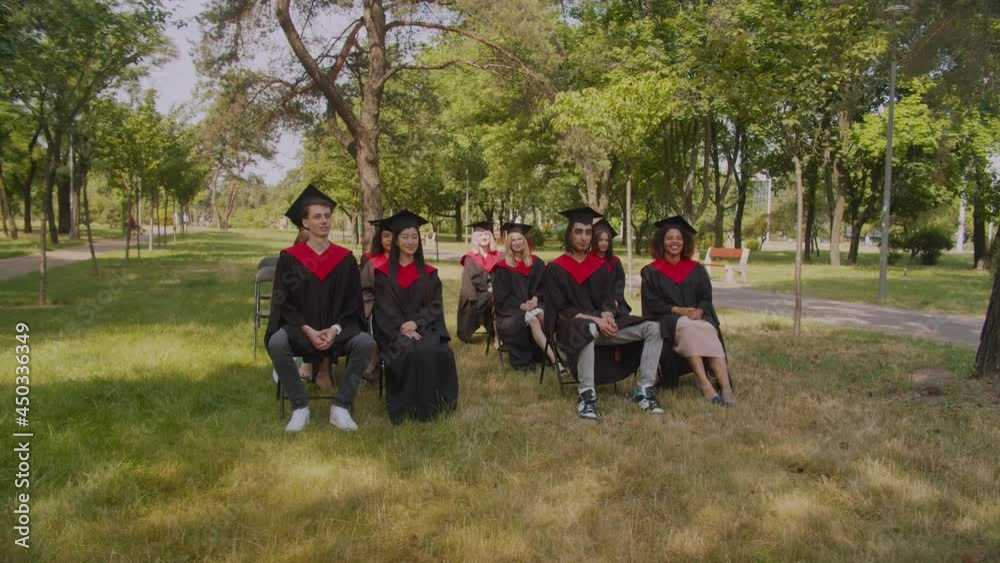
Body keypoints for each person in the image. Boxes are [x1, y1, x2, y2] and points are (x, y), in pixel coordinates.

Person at [265, 184, 377, 432]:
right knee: (277, 342)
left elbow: (352, 304)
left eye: (327, 216)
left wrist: (335, 329)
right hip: (300, 329)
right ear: (304, 223)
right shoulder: (290, 258)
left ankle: (341, 407)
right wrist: (307, 330)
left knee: (364, 343)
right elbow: (283, 303)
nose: (324, 221)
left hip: (335, 331)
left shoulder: (344, 258)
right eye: (317, 216)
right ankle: (299, 407)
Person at [543, 206, 665, 421]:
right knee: (589, 328)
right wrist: (597, 320)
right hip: (573, 331)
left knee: (653, 327)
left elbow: (610, 299)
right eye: (578, 232)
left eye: (588, 232)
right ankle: (587, 396)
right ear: (569, 234)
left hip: (602, 328)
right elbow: (562, 311)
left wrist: (608, 315)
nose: (583, 238)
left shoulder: (599, 266)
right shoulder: (555, 268)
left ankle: (644, 390)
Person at [372, 209, 459, 424]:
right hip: (394, 330)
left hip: (426, 327)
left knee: (435, 350)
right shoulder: (383, 274)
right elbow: (383, 308)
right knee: (407, 351)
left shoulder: (429, 273)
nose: (411, 242)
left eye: (414, 237)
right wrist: (402, 327)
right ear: (396, 241)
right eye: (405, 237)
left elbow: (436, 305)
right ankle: (406, 409)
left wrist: (417, 323)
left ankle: (436, 406)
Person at [640, 216, 735, 407]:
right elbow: (651, 303)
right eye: (669, 238)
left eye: (679, 238)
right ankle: (704, 382)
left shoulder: (696, 269)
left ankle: (725, 387)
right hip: (669, 318)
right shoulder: (651, 271)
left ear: (685, 243)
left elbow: (706, 297)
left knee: (705, 327)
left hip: (697, 318)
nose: (674, 242)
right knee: (687, 325)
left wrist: (699, 311)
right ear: (661, 242)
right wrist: (679, 310)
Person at [492, 222, 560, 370]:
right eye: (513, 240)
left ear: (525, 241)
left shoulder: (536, 263)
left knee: (543, 314)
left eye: (520, 239)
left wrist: (535, 298)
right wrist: (520, 305)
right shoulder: (503, 267)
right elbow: (500, 296)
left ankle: (550, 353)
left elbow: (544, 287)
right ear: (509, 243)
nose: (517, 243)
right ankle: (555, 361)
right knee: (534, 320)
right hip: (511, 309)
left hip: (534, 303)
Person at [457, 221, 499, 343]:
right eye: (480, 235)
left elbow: (502, 276)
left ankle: (498, 332)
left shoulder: (498, 256)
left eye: (486, 234)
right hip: (476, 293)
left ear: (491, 236)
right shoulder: (470, 258)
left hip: (495, 291)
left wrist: (495, 288)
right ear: (475, 239)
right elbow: (474, 279)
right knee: (484, 299)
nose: (484, 237)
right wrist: (488, 289)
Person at [591, 219, 631, 317]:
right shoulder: (588, 261)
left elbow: (620, 285)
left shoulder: (615, 262)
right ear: (594, 241)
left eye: (607, 240)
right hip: (593, 307)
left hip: (614, 305)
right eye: (600, 240)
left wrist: (616, 301)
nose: (604, 243)